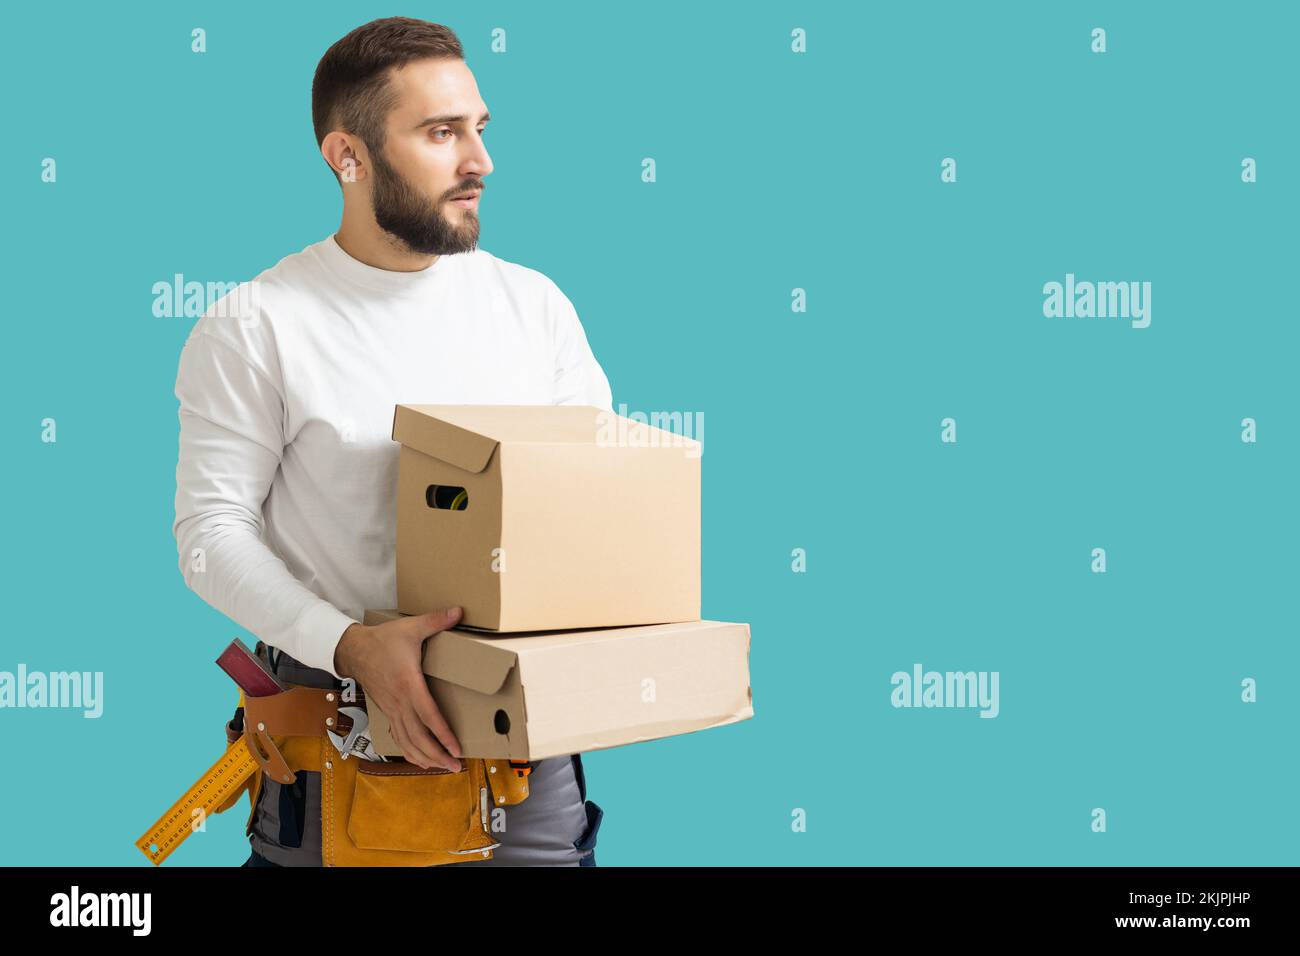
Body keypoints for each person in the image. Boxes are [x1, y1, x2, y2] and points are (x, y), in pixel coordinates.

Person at [173, 16, 610, 866]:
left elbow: (590, 508)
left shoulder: (536, 309)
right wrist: (352, 644)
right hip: (339, 750)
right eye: (441, 133)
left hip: (529, 755)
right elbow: (208, 536)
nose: (479, 161)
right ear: (348, 155)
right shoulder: (256, 326)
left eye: (479, 129)